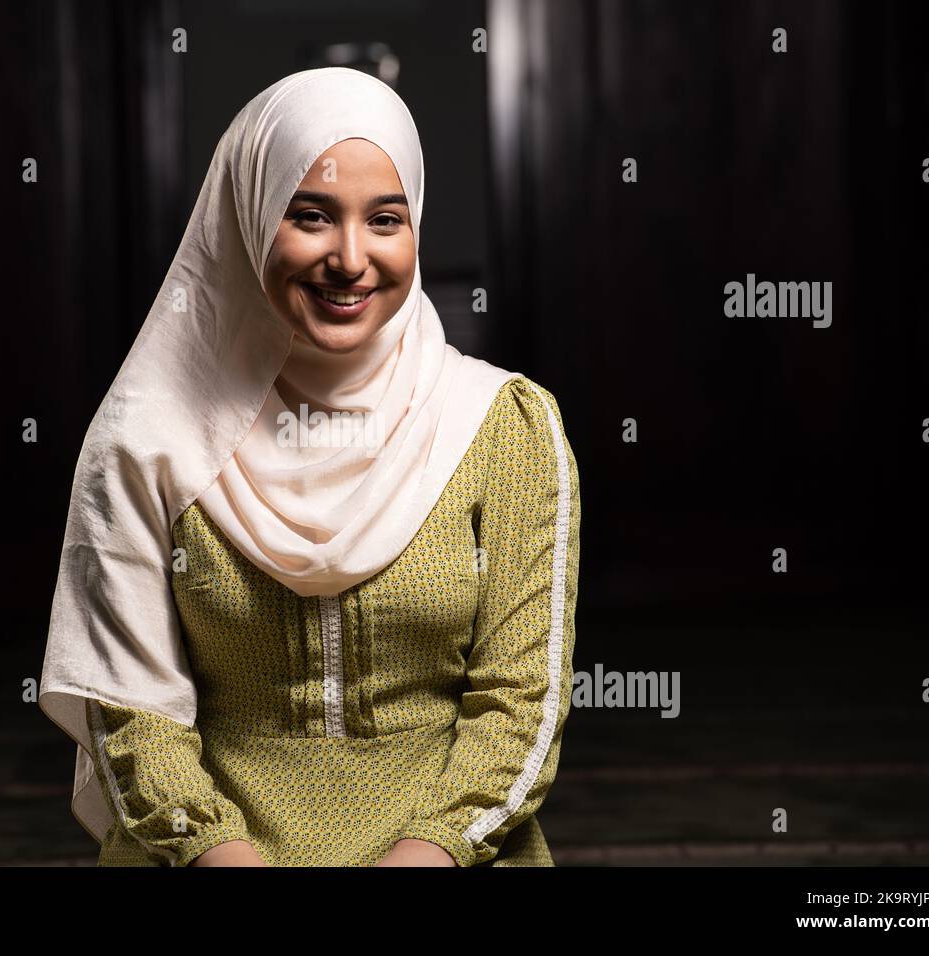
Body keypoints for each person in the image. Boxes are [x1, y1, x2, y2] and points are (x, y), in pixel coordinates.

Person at [38, 66, 581, 867]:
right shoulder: (147, 441)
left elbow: (519, 709)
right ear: (251, 217)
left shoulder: (503, 429)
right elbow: (133, 716)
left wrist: (423, 856)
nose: (350, 258)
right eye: (311, 216)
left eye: (385, 219)